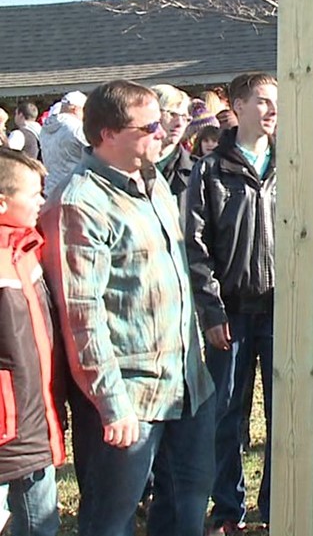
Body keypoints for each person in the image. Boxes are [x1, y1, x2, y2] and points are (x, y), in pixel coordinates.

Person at [40, 79, 215, 536]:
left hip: (186, 387)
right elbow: (82, 318)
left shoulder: (155, 184)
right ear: (108, 134)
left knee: (185, 514)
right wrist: (112, 405)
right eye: (150, 126)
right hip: (128, 399)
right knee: (109, 523)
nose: (164, 131)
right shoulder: (80, 203)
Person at [185, 72, 278, 535]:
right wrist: (211, 311)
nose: (272, 110)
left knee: (285, 415)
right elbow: (195, 246)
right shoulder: (210, 171)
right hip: (232, 313)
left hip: (283, 310)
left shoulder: (293, 163)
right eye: (262, 101)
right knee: (225, 415)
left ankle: (278, 507)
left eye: (276, 102)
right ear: (238, 107)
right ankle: (227, 510)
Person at [0, 149, 64, 536]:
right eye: (34, 193)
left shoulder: (25, 249)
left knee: (41, 522)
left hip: (31, 418)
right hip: (9, 420)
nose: (43, 200)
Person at [151, 84, 195, 204]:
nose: (179, 123)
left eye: (185, 117)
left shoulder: (198, 172)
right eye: (172, 114)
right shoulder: (124, 167)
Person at [40, 91, 87, 198]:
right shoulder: (77, 129)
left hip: (51, 188)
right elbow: (98, 154)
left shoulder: (45, 128)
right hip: (73, 189)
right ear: (75, 109)